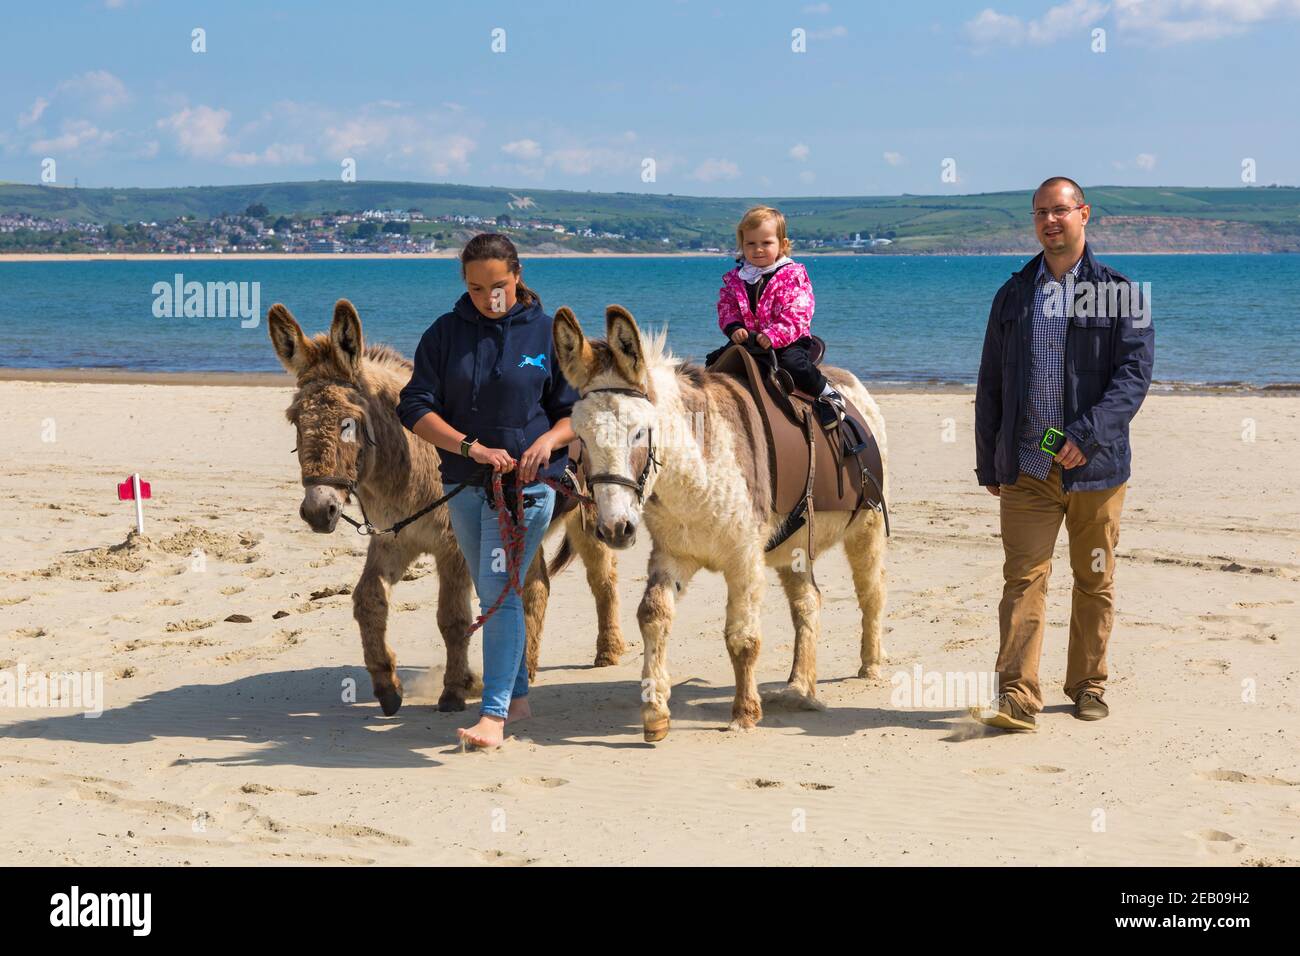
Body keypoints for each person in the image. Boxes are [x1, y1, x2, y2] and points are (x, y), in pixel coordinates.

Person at [972, 176, 1155, 732]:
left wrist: (1086, 435)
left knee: (1093, 578)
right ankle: (1017, 695)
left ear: (1083, 214)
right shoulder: (1012, 294)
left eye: (1060, 211)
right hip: (1025, 467)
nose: (1050, 221)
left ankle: (1087, 685)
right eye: (1040, 213)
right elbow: (990, 385)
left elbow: (1134, 376)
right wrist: (988, 460)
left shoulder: (1122, 292)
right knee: (1022, 580)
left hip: (1096, 470)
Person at [397, 233, 579, 748]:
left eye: (498, 285)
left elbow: (577, 412)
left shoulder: (548, 334)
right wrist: (468, 447)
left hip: (529, 489)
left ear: (517, 276)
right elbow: (414, 407)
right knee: (497, 591)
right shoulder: (444, 334)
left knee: (498, 594)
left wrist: (547, 440)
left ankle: (494, 715)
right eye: (476, 288)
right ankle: (517, 696)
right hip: (463, 485)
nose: (489, 298)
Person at [707, 205, 847, 429]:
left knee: (794, 364)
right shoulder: (737, 278)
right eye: (750, 243)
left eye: (766, 243)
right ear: (742, 245)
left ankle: (828, 395)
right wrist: (733, 327)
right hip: (750, 339)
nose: (758, 250)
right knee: (715, 361)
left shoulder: (792, 275)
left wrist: (775, 334)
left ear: (782, 245)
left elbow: (799, 311)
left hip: (788, 339)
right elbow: (727, 306)